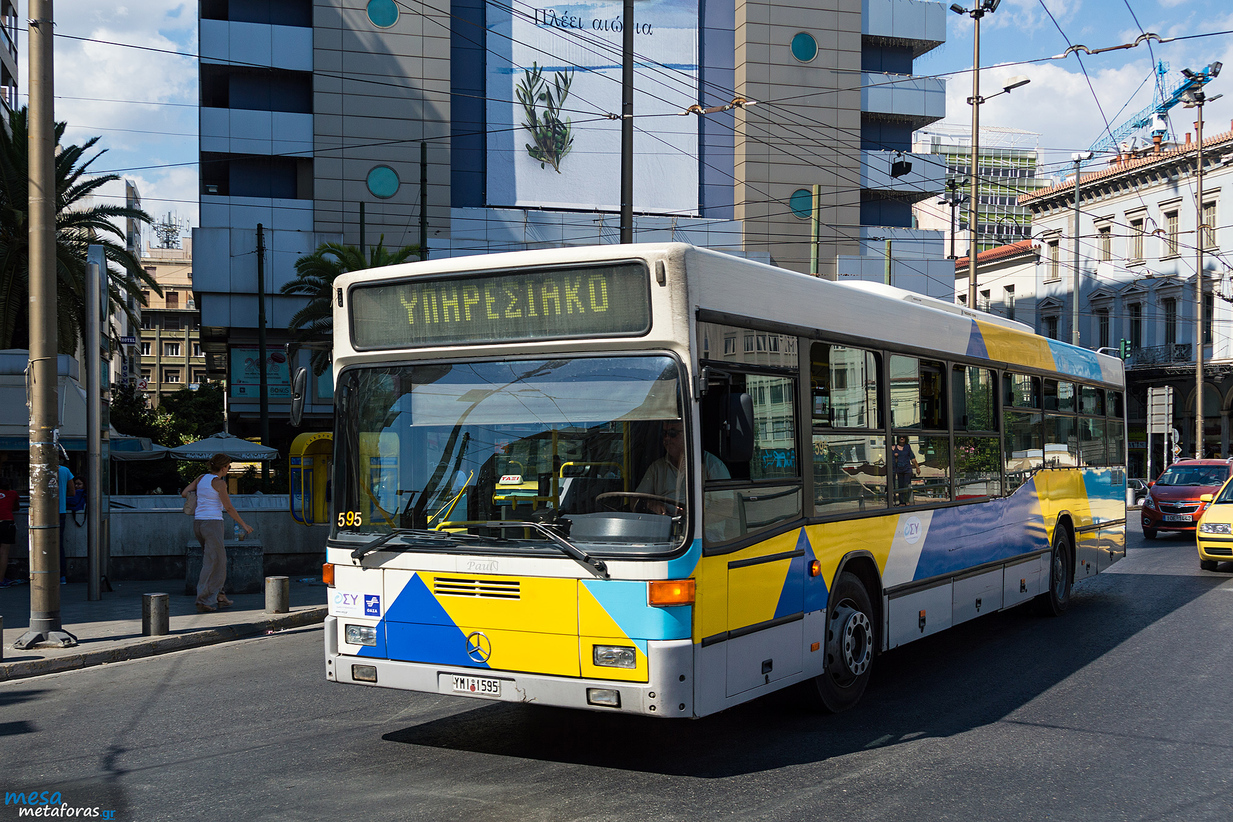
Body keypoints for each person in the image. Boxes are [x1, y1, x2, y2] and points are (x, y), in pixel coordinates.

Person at [635, 421, 733, 540]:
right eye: (664, 433)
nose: (666, 438)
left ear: (688, 435)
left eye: (672, 433)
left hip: (705, 535)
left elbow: (726, 507)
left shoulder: (712, 465)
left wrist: (691, 518)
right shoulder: (657, 468)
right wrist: (651, 504)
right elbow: (634, 500)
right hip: (665, 534)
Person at [182, 454, 253, 613]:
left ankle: (220, 595)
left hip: (198, 523)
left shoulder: (201, 478)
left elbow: (185, 492)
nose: (229, 469)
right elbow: (228, 508)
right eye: (229, 466)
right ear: (223, 467)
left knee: (216, 561)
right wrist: (244, 524)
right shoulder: (219, 483)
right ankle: (202, 600)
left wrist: (202, 498)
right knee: (213, 563)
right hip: (212, 524)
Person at [58, 458, 74, 584]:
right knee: (59, 544)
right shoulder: (65, 470)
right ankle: (61, 575)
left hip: (43, 512)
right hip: (60, 510)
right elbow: (72, 492)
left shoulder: (40, 469)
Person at [0, 478, 18, 588]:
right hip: (7, 524)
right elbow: (16, 507)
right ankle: (1, 579)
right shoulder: (13, 494)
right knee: (4, 553)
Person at [891, 435, 919, 505]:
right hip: (899, 470)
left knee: (906, 484)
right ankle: (902, 501)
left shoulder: (907, 447)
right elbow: (893, 461)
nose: (901, 438)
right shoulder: (895, 448)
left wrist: (917, 467)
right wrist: (896, 457)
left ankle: (907, 500)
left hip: (907, 469)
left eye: (903, 437)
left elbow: (912, 458)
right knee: (900, 486)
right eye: (900, 437)